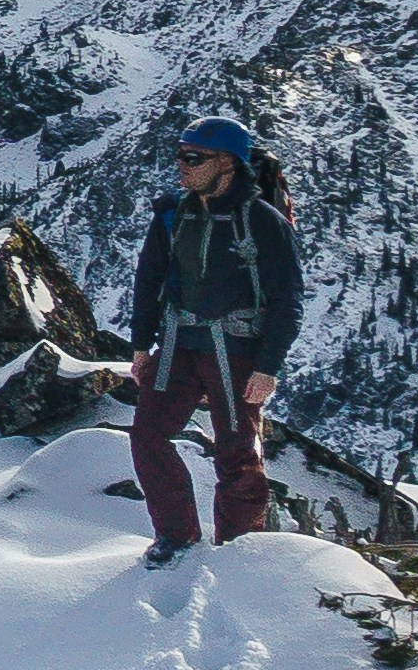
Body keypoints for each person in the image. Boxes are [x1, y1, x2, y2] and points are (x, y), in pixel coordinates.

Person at [120, 116, 300, 564]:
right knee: (147, 435)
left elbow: (288, 300)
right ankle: (176, 536)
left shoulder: (264, 222)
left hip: (238, 351)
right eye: (180, 155)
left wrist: (268, 367)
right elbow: (149, 279)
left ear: (228, 164)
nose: (182, 165)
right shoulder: (172, 214)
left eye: (193, 158)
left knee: (238, 454)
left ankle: (239, 549)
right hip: (180, 344)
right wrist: (142, 346)